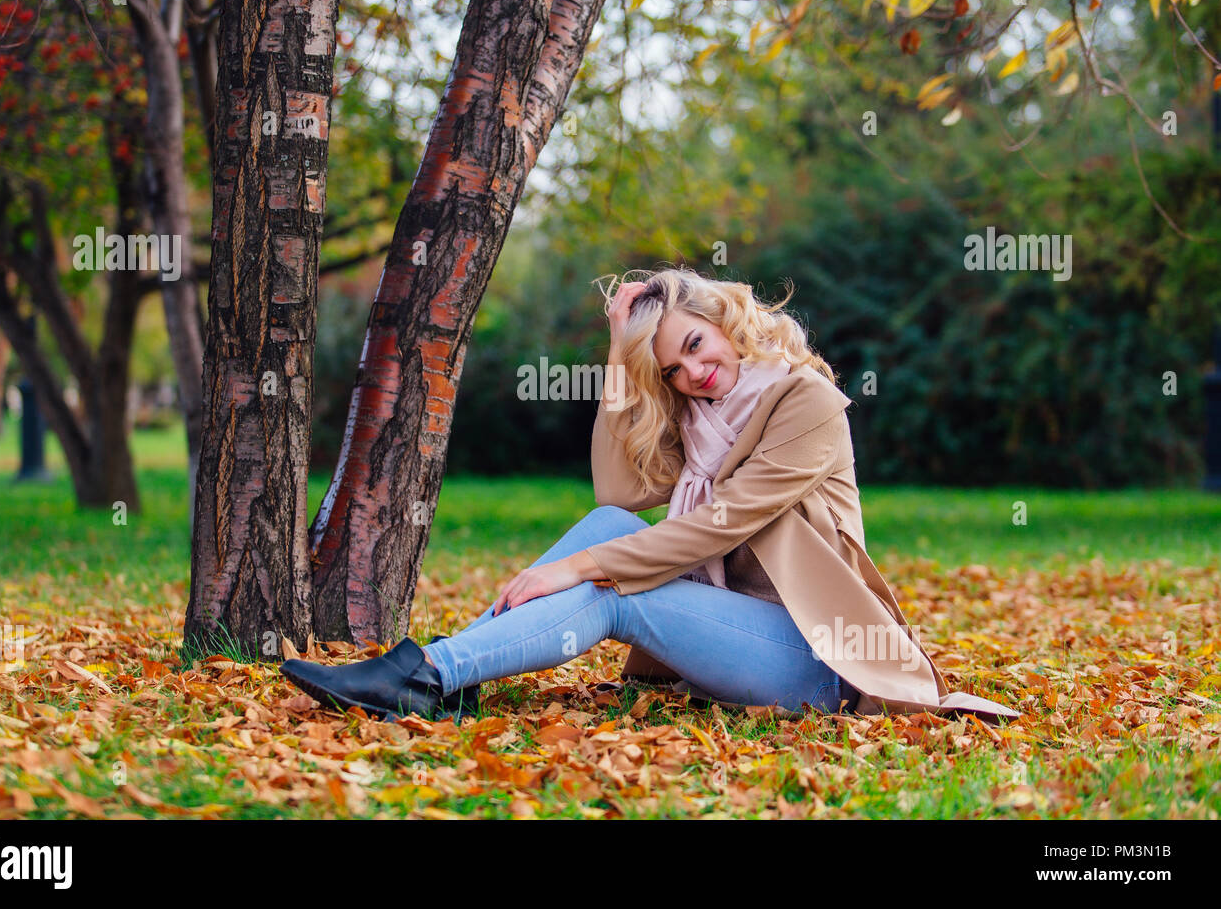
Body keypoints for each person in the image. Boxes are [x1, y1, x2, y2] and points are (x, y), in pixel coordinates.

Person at [280, 266, 1018, 724]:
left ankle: (431, 674)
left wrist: (575, 568)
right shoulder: (699, 420)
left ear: (724, 319)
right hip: (730, 632)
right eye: (670, 370)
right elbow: (619, 492)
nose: (692, 374)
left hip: (817, 656)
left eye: (694, 346)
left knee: (616, 588)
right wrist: (618, 355)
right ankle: (439, 677)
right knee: (606, 525)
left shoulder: (807, 402)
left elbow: (720, 526)